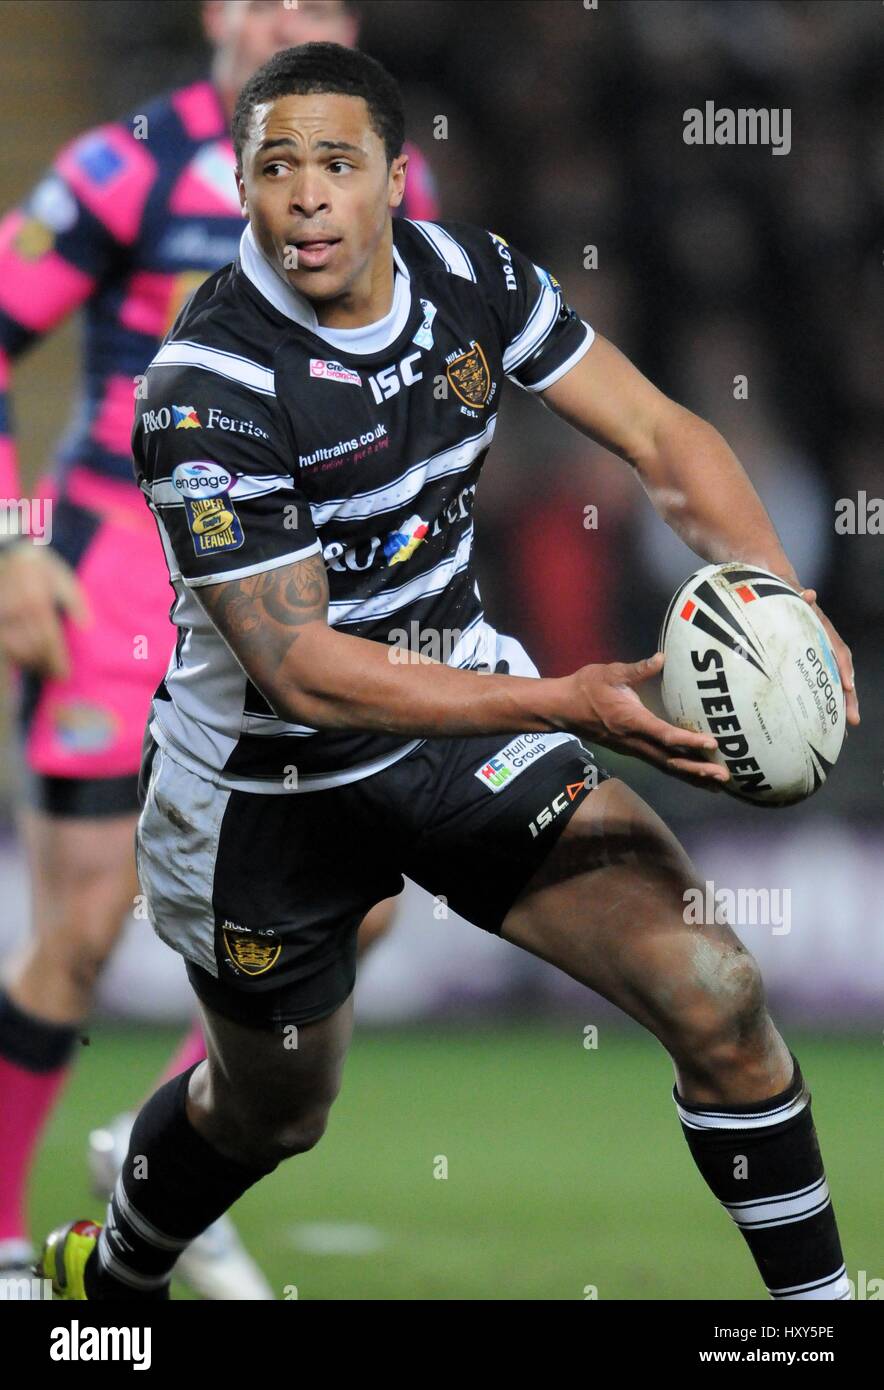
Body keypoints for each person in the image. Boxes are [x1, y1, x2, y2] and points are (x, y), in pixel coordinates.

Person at [41, 41, 858, 1302]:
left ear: (393, 177)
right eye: (275, 168)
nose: (305, 195)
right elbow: (301, 666)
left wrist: (777, 597)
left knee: (713, 992)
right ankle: (114, 1277)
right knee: (272, 1114)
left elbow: (658, 434)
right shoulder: (205, 386)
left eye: (335, 164)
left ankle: (812, 1321)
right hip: (263, 791)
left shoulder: (473, 277)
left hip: (459, 729)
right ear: (244, 186)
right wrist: (565, 700)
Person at [0, 0, 437, 1298]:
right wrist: (14, 539)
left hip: (278, 605)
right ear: (215, 14)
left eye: (314, 2)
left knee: (362, 903)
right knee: (82, 924)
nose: (286, 21)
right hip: (111, 583)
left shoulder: (379, 170)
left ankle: (153, 1142)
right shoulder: (124, 160)